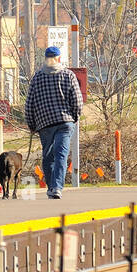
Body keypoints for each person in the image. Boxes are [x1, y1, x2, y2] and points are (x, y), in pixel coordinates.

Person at [25, 45, 82, 199]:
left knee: (48, 156)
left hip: (44, 124)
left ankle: (51, 187)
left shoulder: (37, 77)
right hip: (65, 122)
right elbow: (77, 100)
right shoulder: (68, 75)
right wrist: (75, 117)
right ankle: (57, 187)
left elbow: (29, 103)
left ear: (46, 59)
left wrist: (31, 123)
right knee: (61, 155)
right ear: (59, 58)